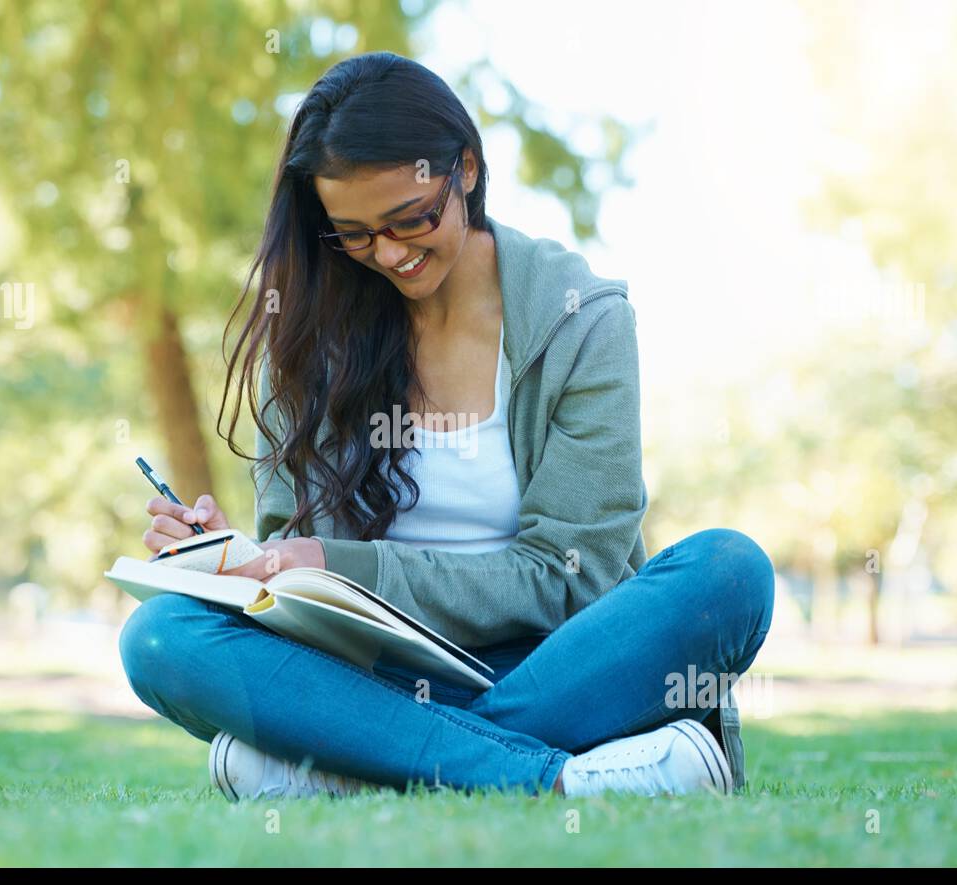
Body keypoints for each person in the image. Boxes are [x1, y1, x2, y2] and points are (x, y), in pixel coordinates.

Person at [119, 51, 775, 801]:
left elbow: (576, 577)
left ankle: (360, 761)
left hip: (559, 663)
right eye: (355, 235)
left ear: (464, 168)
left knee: (730, 570)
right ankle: (560, 776)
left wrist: (330, 564)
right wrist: (234, 561)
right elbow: (300, 591)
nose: (391, 254)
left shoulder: (580, 321)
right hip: (378, 673)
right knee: (160, 636)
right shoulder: (302, 344)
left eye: (412, 219)